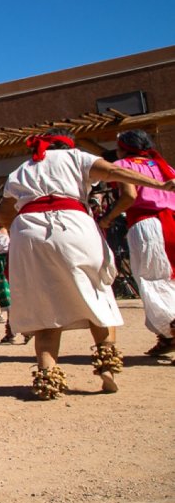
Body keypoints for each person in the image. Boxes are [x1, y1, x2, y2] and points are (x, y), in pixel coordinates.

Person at [0, 128, 175, 399]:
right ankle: (106, 369)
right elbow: (114, 173)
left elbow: (4, 214)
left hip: (28, 231)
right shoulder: (77, 157)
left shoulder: (21, 169)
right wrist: (160, 185)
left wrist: (22, 232)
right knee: (97, 293)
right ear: (69, 143)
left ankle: (47, 377)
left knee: (44, 304)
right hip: (73, 224)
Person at [98, 129, 175, 358]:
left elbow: (129, 196)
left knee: (152, 279)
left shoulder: (125, 166)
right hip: (171, 221)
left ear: (124, 148)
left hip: (148, 224)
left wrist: (108, 218)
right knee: (170, 277)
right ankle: (166, 337)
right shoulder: (165, 167)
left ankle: (171, 329)